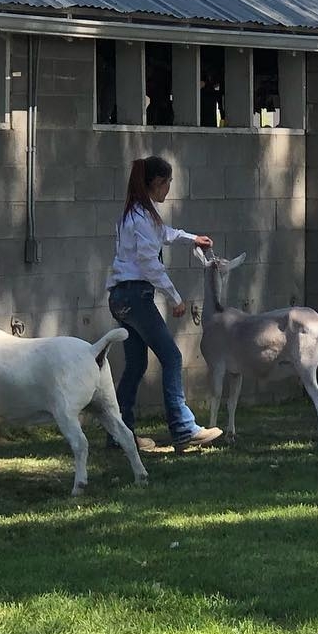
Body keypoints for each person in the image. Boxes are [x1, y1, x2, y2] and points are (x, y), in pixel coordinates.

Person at [106, 156, 221, 449]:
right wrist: (175, 297)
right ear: (157, 183)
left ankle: (119, 434)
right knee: (172, 357)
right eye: (168, 182)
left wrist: (192, 238)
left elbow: (165, 234)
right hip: (135, 296)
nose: (169, 188)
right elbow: (149, 263)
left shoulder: (136, 214)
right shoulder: (141, 217)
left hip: (121, 298)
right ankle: (183, 428)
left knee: (135, 364)